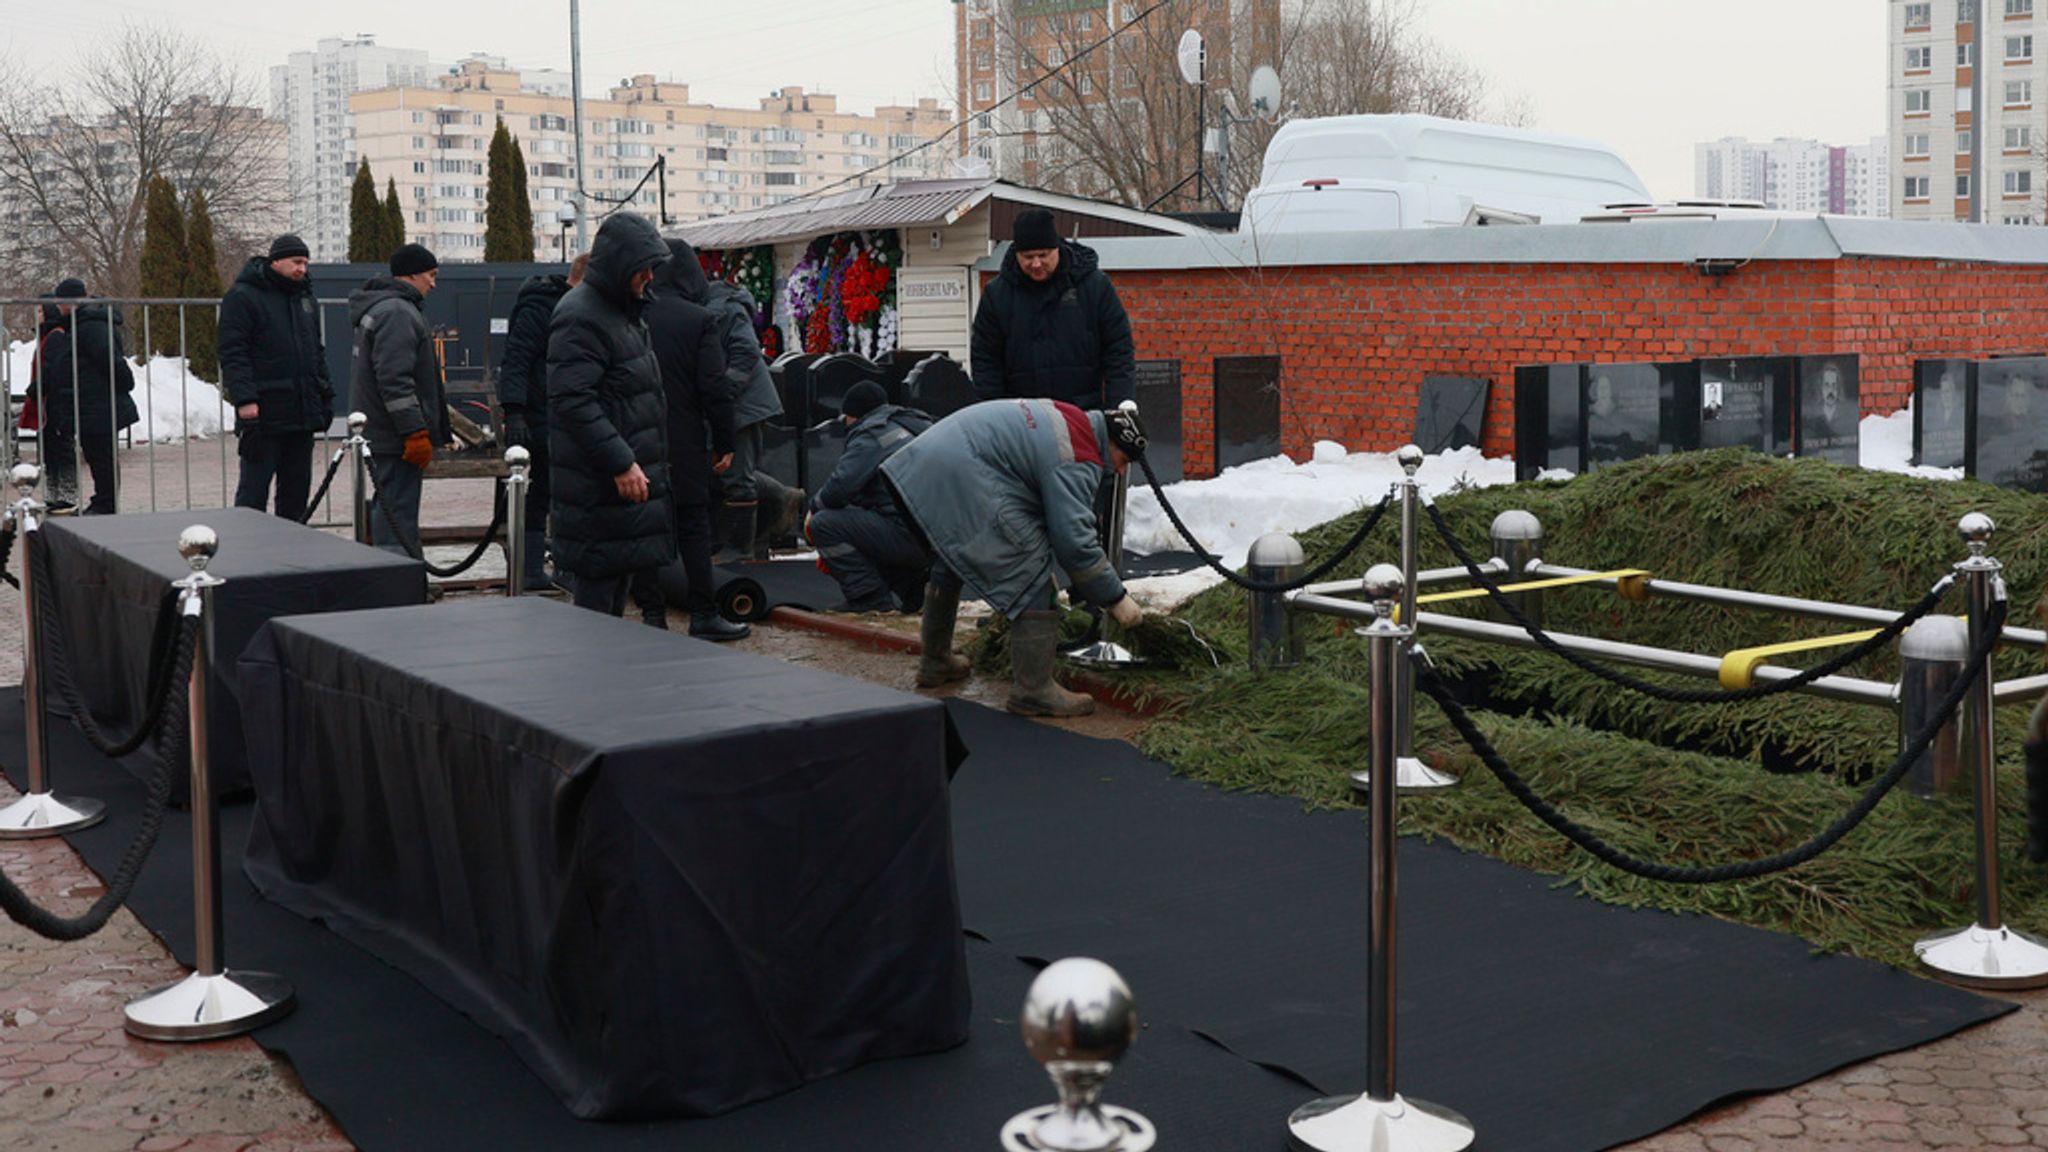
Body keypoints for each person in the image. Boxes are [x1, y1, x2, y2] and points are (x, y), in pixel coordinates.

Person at [881, 398, 1147, 717]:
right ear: (1112, 442)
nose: (1120, 470)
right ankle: (1034, 691)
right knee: (1032, 575)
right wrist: (1116, 598)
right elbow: (1074, 543)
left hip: (924, 464)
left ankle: (935, 662)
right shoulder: (1079, 454)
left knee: (950, 560)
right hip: (961, 470)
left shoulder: (1075, 421)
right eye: (1123, 459)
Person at [546, 212, 676, 617]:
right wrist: (621, 462)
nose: (650, 277)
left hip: (618, 491)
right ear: (622, 265)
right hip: (599, 489)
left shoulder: (621, 310)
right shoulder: (582, 314)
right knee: (598, 609)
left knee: (615, 601)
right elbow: (573, 400)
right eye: (644, 267)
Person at [636, 237, 748, 639]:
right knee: (694, 528)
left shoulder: (632, 314)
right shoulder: (697, 319)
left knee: (646, 526)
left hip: (638, 439)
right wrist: (725, 441)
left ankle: (651, 615)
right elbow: (713, 389)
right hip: (684, 441)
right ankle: (703, 614)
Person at [969, 208, 1136, 409]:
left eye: (1043, 255)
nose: (1036, 264)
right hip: (1021, 420)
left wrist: (1119, 407)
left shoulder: (1093, 286)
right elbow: (985, 360)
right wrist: (993, 414)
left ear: (1057, 248)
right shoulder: (997, 296)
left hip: (1083, 414)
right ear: (1016, 254)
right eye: (1028, 257)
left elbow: (1119, 349)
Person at [221, 234, 335, 522]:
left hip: (301, 414)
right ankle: (248, 555)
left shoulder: (305, 298)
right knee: (253, 494)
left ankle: (292, 558)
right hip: (263, 415)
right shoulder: (243, 296)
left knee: (296, 495)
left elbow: (315, 352)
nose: (302, 269)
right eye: (297, 262)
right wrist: (245, 401)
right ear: (276, 261)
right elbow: (233, 353)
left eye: (306, 263)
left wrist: (325, 394)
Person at [696, 266, 803, 561]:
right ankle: (780, 495)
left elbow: (746, 350)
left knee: (736, 478)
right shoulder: (708, 306)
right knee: (720, 472)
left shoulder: (726, 309)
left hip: (743, 404)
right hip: (729, 401)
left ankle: (740, 551)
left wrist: (723, 392)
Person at [347, 243, 446, 555]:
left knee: (392, 506)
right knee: (396, 511)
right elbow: (395, 380)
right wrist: (414, 431)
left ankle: (403, 578)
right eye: (430, 275)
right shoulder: (398, 313)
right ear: (413, 275)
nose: (433, 283)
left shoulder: (387, 309)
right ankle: (397, 583)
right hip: (394, 435)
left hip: (383, 430)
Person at [497, 252, 587, 590]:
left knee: (561, 491)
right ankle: (533, 568)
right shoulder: (540, 307)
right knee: (546, 491)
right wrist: (515, 411)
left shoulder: (570, 306)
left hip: (563, 411)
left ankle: (555, 566)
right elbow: (517, 358)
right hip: (543, 412)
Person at [806, 380, 933, 613]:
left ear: (853, 414)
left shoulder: (872, 434)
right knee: (872, 519)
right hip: (940, 537)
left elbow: (838, 491)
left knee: (824, 524)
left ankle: (869, 597)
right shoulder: (916, 423)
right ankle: (912, 587)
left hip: (909, 536)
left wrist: (812, 509)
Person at [39, 278, 138, 515]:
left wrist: (125, 384)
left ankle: (106, 503)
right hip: (91, 403)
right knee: (97, 456)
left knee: (102, 458)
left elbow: (111, 361)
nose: (58, 307)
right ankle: (103, 501)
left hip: (98, 403)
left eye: (60, 301)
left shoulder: (91, 325)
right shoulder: (82, 323)